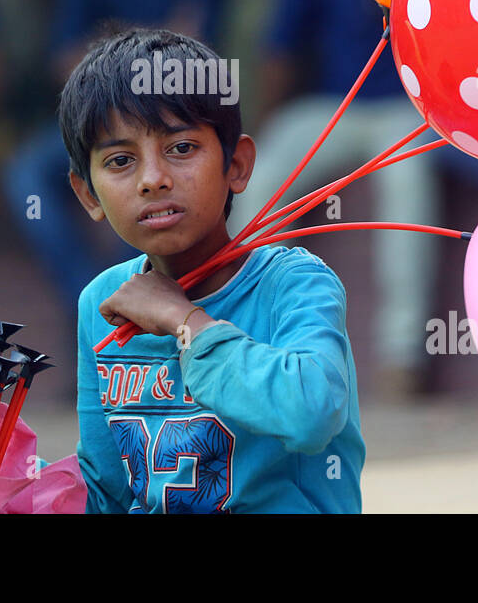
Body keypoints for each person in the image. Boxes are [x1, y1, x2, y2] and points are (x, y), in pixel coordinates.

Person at [64, 28, 364, 513]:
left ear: (237, 165)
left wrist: (186, 323)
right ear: (87, 195)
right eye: (121, 160)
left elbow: (312, 412)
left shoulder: (293, 283)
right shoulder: (101, 302)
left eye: (181, 148)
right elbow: (106, 489)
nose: (153, 179)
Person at [7, 0, 228, 316]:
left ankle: (142, 313)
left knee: (154, 173)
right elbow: (64, 60)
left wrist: (106, 47)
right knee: (25, 174)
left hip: (173, 122)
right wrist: (153, 40)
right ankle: (98, 305)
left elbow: (192, 60)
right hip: (99, 122)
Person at [232, 0, 444, 398]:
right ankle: (243, 337)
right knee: (263, 178)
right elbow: (282, 37)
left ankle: (402, 359)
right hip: (337, 102)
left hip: (412, 108)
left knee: (407, 187)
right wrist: (265, 112)